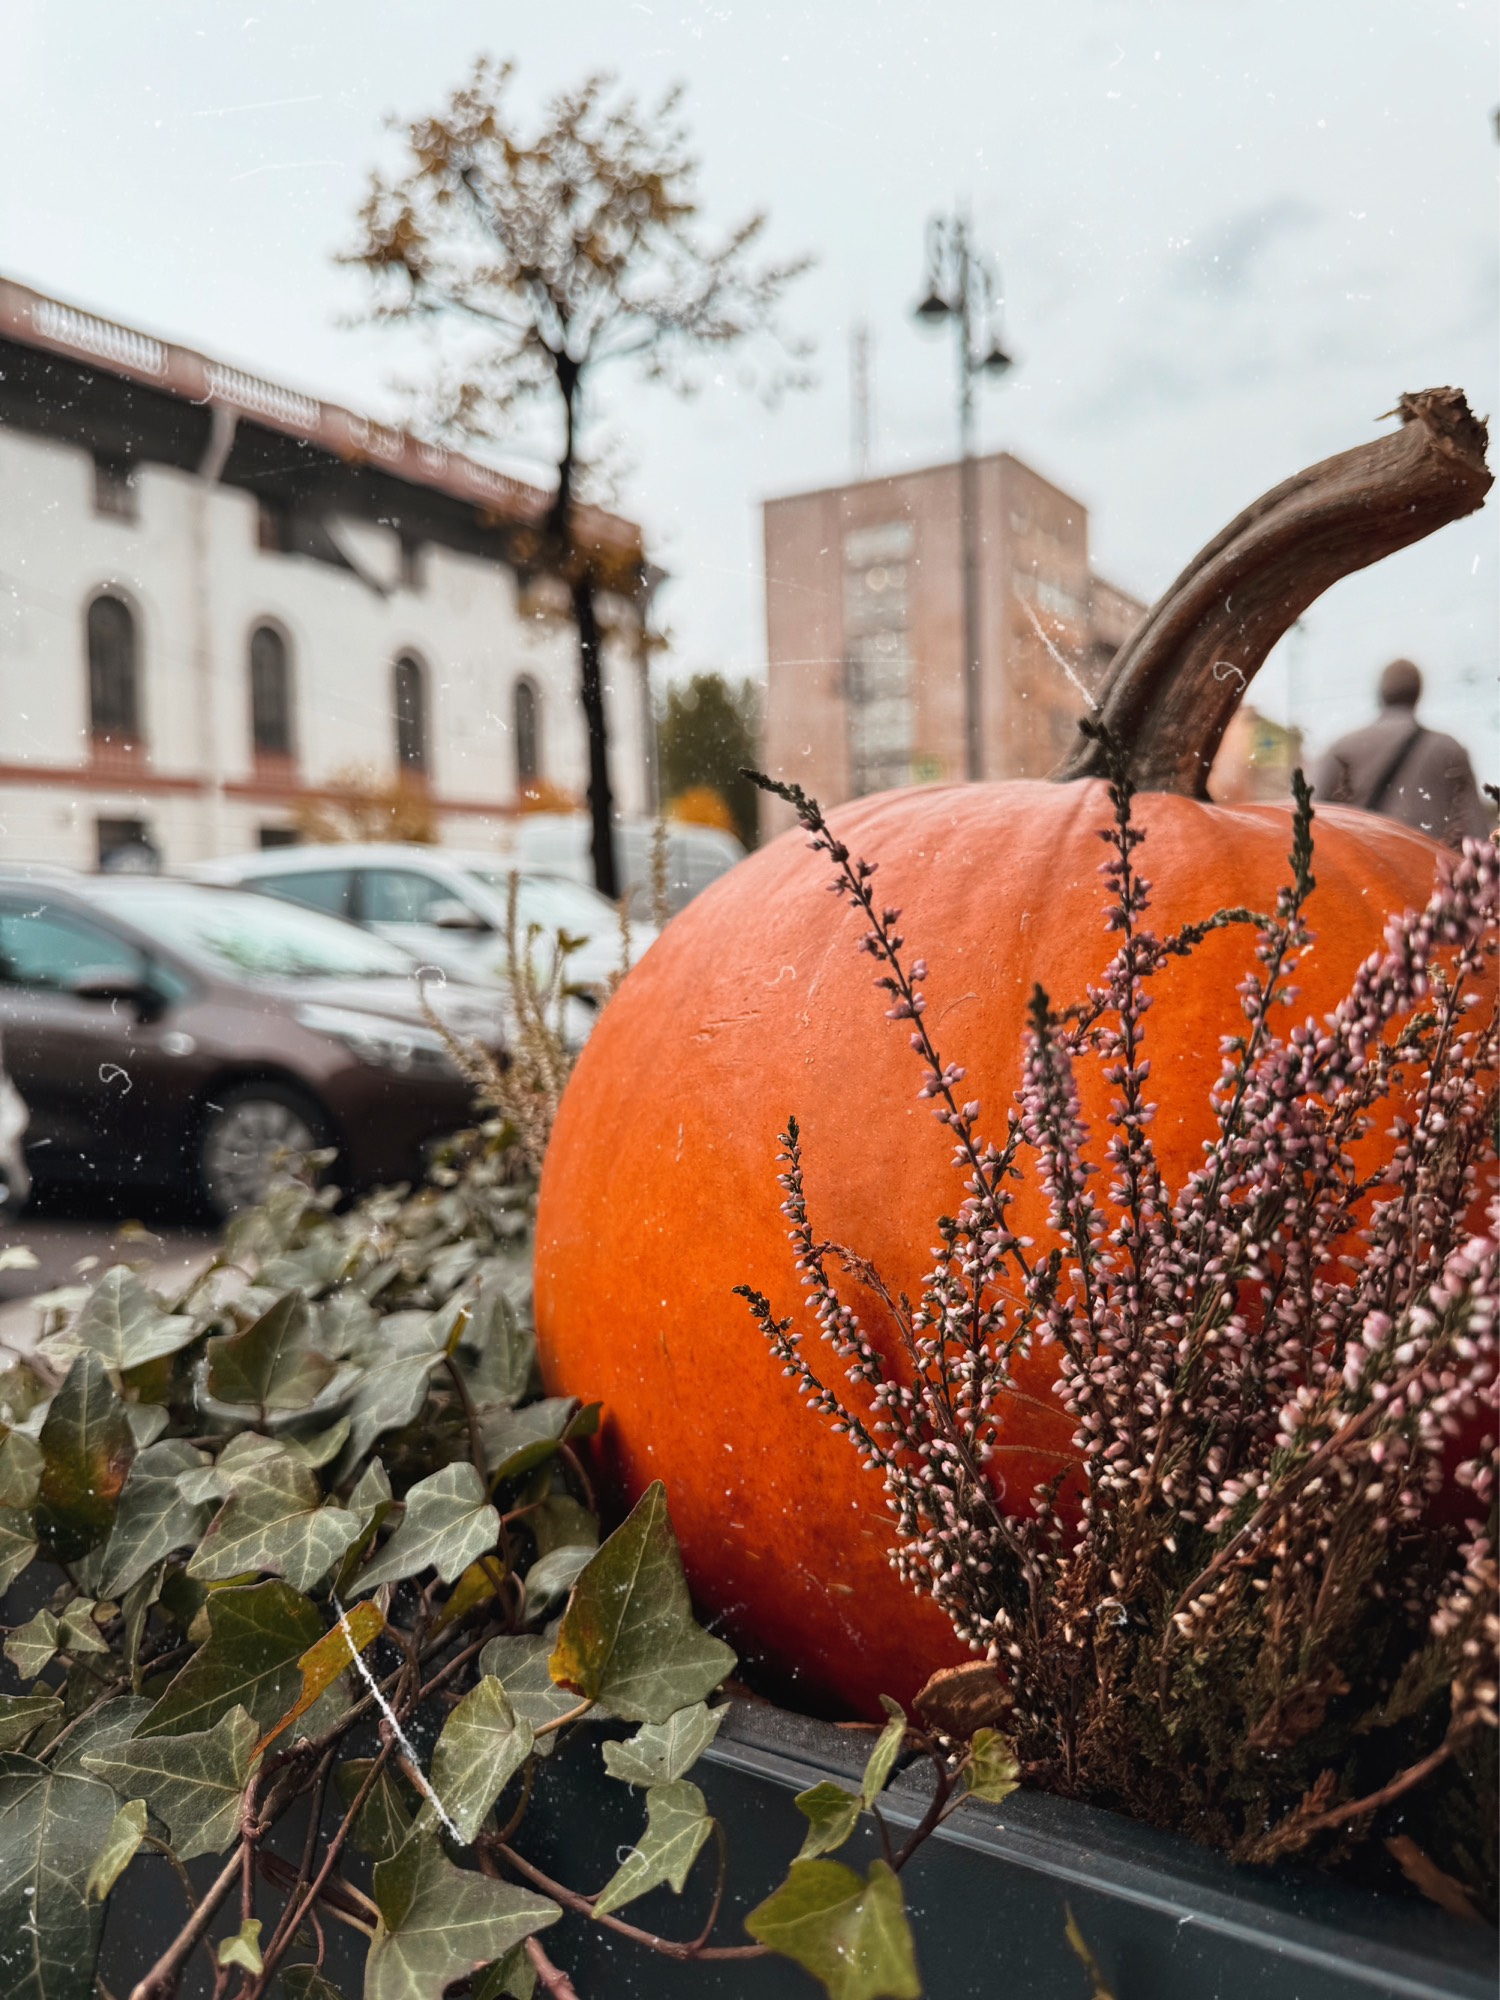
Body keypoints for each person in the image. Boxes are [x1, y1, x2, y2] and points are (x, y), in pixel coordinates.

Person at [1311, 658, 1491, 848]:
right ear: (1418, 694)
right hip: (1427, 870)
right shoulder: (1449, 749)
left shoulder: (1341, 748)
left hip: (1359, 869)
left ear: (1380, 693)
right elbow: (1475, 832)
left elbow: (1314, 821)